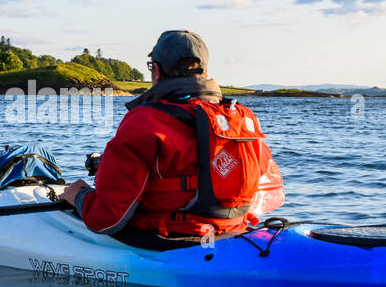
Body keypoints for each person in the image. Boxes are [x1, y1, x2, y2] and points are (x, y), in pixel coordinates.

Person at [61, 30, 277, 248]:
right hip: (234, 231)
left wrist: (79, 195)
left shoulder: (144, 121)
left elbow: (106, 220)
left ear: (156, 70)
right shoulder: (244, 118)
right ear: (206, 71)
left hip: (174, 239)